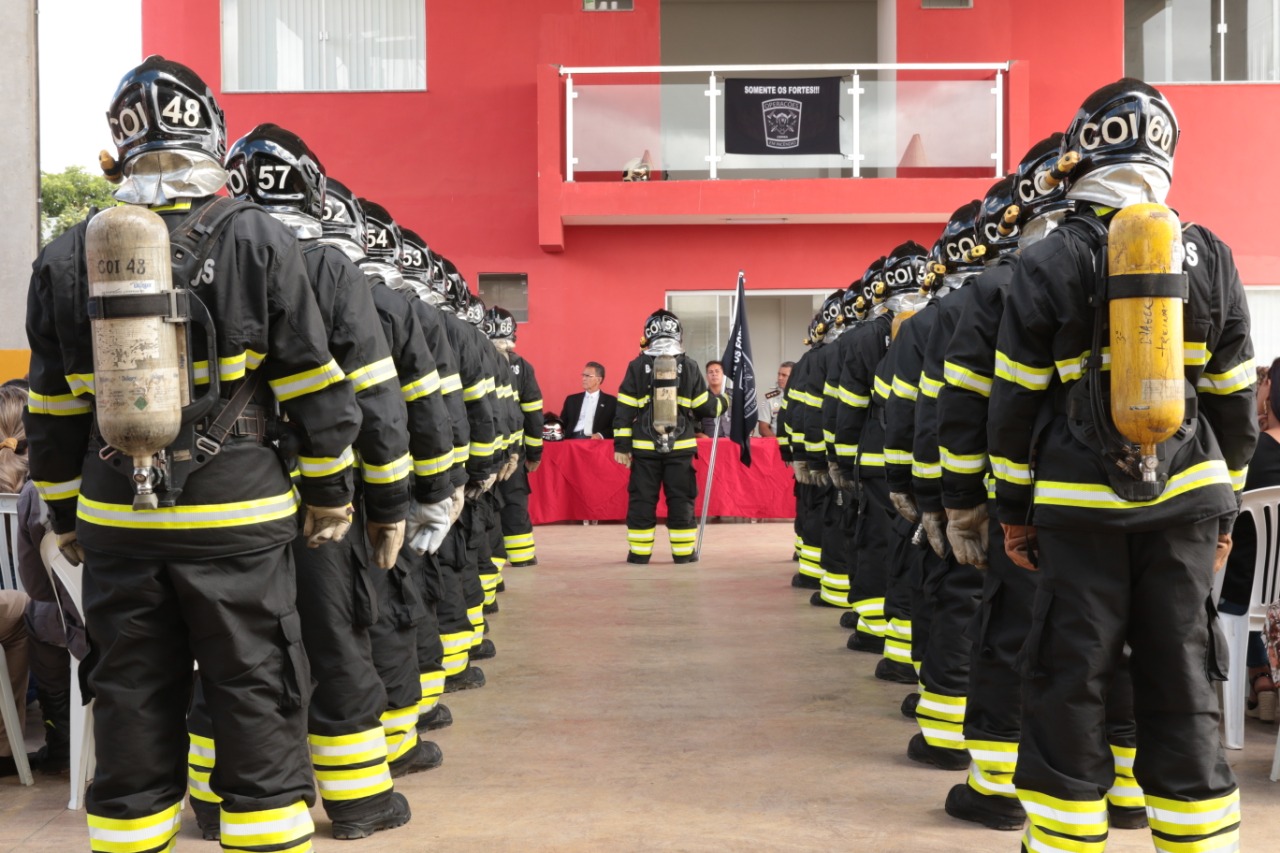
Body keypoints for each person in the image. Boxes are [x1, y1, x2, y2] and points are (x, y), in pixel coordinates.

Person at [25, 56, 361, 852]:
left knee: (130, 692)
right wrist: (331, 491)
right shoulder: (257, 237)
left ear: (119, 148)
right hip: (238, 513)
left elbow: (52, 408)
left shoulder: (69, 252)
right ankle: (266, 830)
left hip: (115, 516)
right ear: (210, 130)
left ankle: (131, 835)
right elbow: (316, 382)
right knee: (252, 684)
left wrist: (70, 512)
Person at [988, 79, 1255, 852]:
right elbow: (1235, 403)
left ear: (1083, 151)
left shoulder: (1048, 260)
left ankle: (1068, 838)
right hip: (1190, 505)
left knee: (1071, 674)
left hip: (1079, 504)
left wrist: (1011, 508)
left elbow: (1012, 405)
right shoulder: (1211, 254)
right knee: (1182, 675)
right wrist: (1224, 510)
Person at [614, 310, 725, 564]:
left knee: (642, 499)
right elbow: (707, 408)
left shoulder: (636, 366)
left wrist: (622, 445)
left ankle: (639, 554)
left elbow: (624, 410)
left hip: (644, 449)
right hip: (681, 447)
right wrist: (726, 400)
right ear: (678, 334)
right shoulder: (690, 365)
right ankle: (684, 553)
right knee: (681, 498)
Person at [484, 306, 544, 568]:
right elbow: (533, 414)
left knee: (484, 503)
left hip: (481, 450)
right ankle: (521, 557)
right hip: (514, 451)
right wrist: (535, 454)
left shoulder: (471, 360)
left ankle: (488, 558)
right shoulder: (522, 367)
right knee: (514, 500)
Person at [561, 362, 616, 439]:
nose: (583, 379)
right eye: (583, 375)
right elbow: (562, 423)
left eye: (587, 376)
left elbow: (616, 426)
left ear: (598, 379)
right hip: (572, 438)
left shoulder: (611, 402)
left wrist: (600, 435)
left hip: (595, 440)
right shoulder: (571, 400)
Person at [757, 362, 792, 438]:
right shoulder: (770, 398)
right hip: (777, 444)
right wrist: (778, 444)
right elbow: (763, 428)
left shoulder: (803, 396)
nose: (779, 378)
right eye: (779, 374)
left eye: (784, 375)